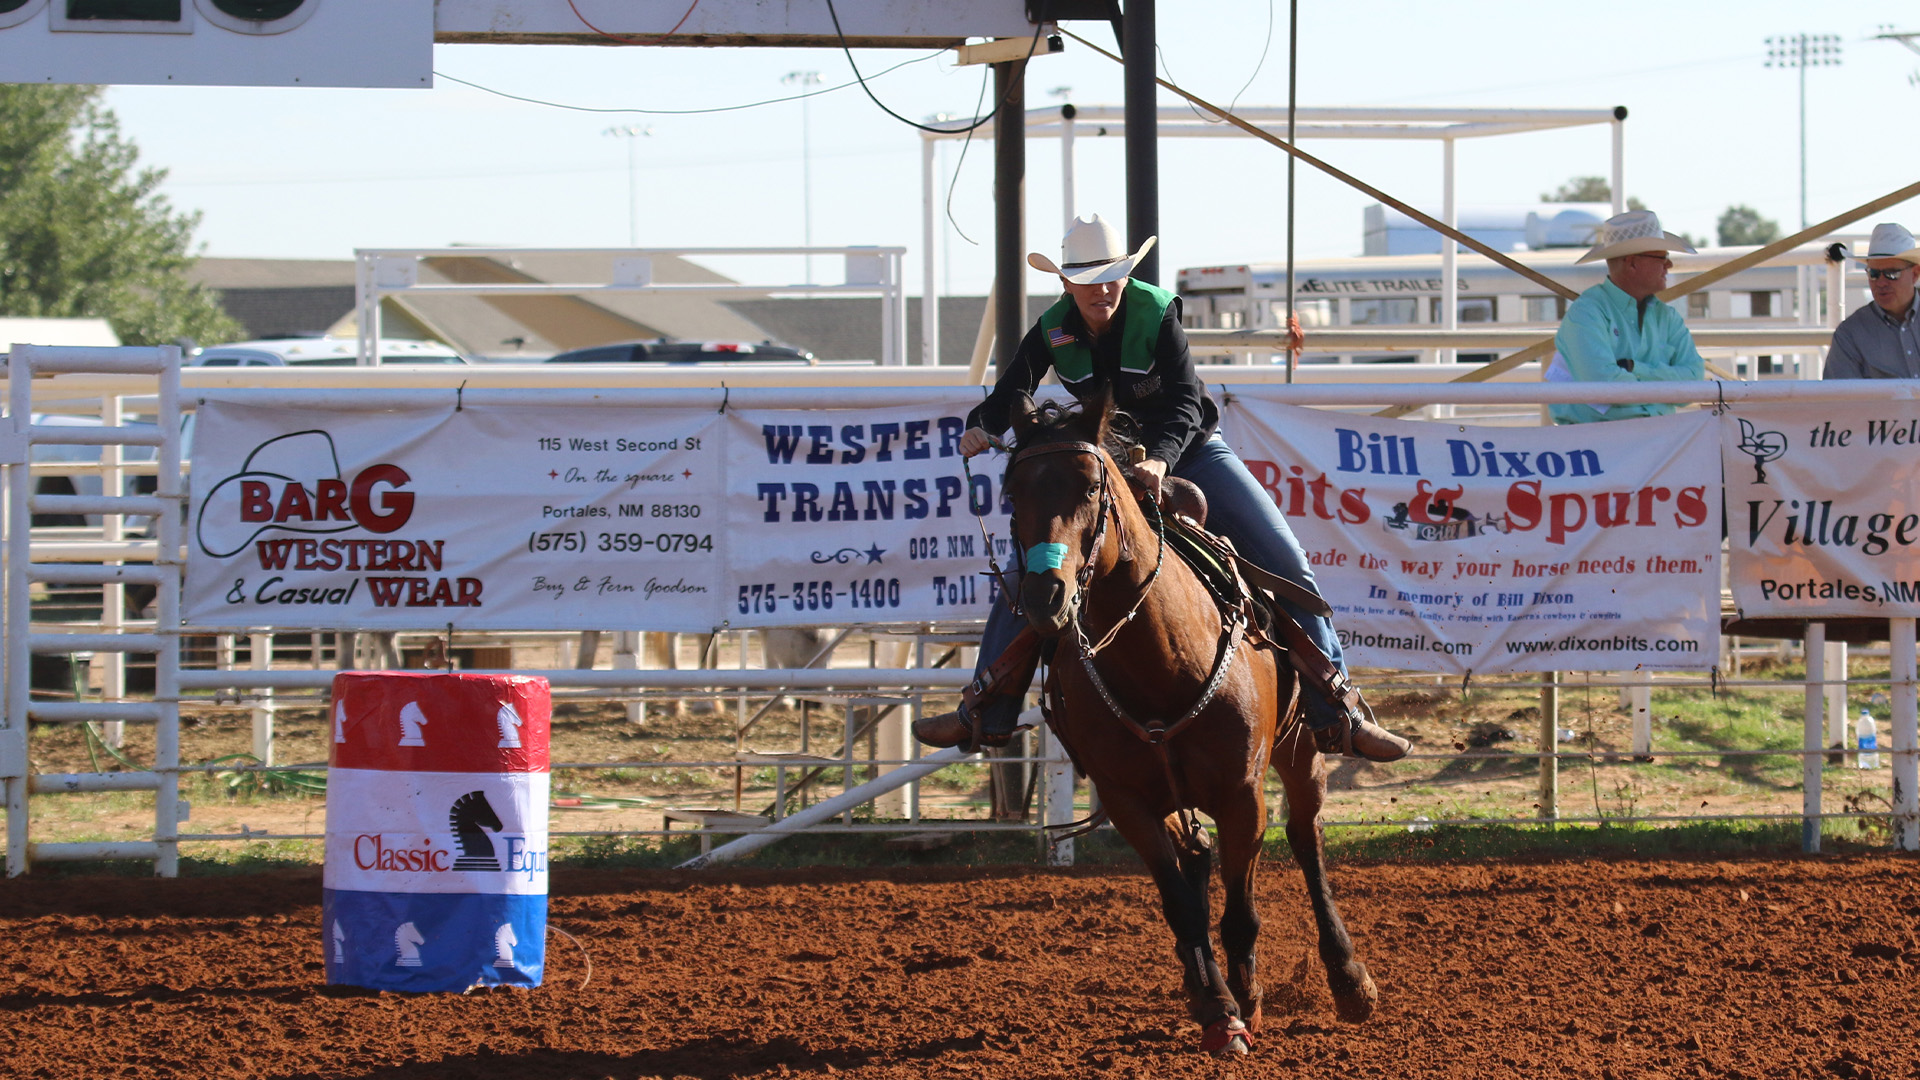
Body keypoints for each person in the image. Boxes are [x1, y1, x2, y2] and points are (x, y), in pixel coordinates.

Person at [910, 213, 1411, 762]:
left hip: (1192, 454)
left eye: (1112, 274)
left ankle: (1339, 711)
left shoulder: (1156, 310)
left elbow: (1184, 402)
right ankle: (987, 709)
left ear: (1126, 276)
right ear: (1066, 284)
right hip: (1108, 469)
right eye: (1087, 277)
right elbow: (1013, 391)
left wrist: (1162, 461)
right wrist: (984, 426)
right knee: (1030, 571)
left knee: (1286, 562)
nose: (1101, 287)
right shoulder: (1053, 327)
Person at [1546, 210, 1706, 425]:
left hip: (1646, 439)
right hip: (1599, 445)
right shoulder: (1587, 312)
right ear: (1632, 263)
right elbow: (1606, 388)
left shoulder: (1666, 317)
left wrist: (1634, 369)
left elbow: (1695, 381)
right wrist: (1666, 388)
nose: (1669, 265)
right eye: (1662, 258)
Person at [1823, 223, 1920, 379]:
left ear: (1915, 274)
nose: (1881, 282)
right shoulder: (1849, 334)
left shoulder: (1850, 334)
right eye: (1874, 273)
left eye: (1891, 273)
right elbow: (1840, 400)